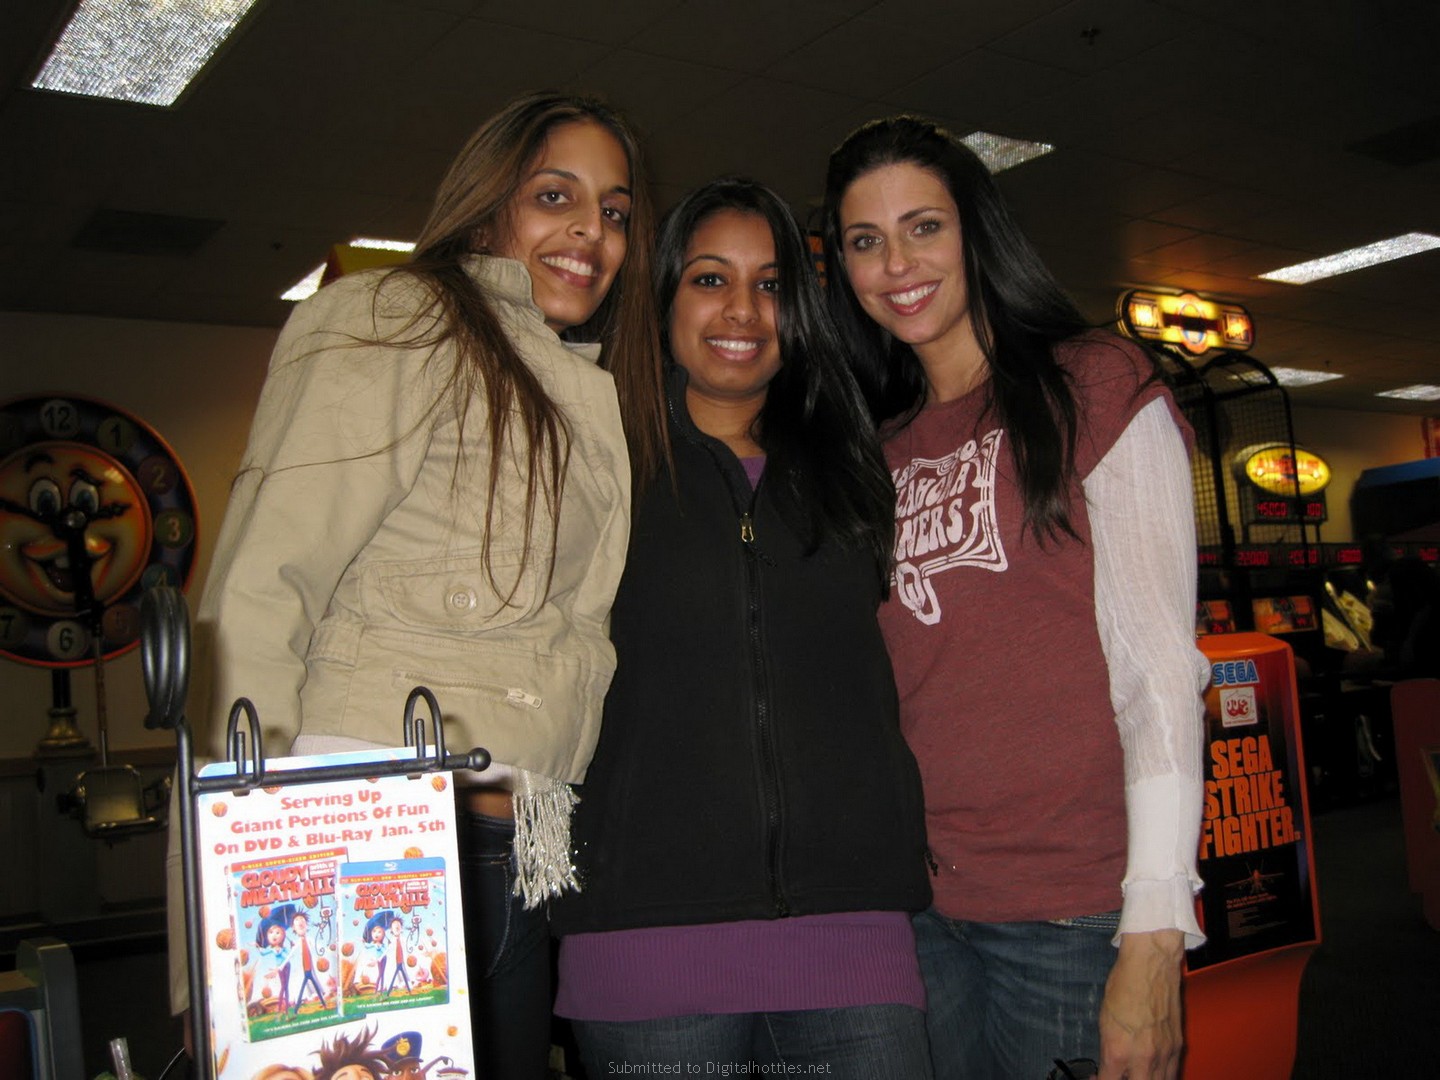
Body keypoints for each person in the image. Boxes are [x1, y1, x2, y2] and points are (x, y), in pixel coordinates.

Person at [168, 91, 664, 1080]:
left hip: (516, 846)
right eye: (555, 196)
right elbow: (259, 596)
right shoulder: (395, 317)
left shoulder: (576, 381)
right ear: (487, 208)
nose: (591, 232)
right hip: (365, 829)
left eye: (613, 211)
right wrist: (217, 922)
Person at [821, 116, 1210, 1080]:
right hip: (920, 909)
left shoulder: (1095, 382)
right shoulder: (875, 447)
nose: (896, 264)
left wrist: (1156, 930)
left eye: (924, 226)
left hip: (1075, 911)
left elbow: (1159, 669)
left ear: (977, 231)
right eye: (865, 240)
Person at [550, 179, 933, 1079]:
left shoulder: (855, 469)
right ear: (663, 299)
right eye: (710, 279)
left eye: (770, 285)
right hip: (643, 943)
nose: (743, 311)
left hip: (853, 936)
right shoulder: (594, 467)